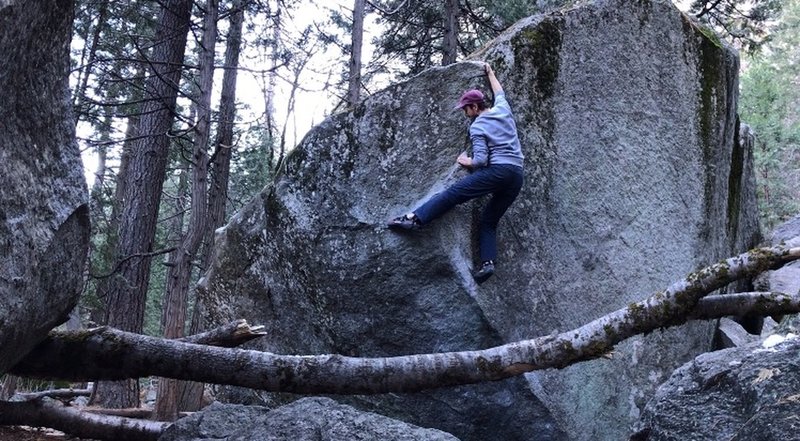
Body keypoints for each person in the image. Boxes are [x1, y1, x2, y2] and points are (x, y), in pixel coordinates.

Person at [387, 63, 524, 284]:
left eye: (465, 109)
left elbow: (481, 161)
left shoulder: (477, 126)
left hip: (498, 171)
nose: (464, 112)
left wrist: (465, 161)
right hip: (517, 174)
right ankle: (488, 263)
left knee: (453, 194)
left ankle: (413, 219)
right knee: (489, 221)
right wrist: (491, 73)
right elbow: (499, 92)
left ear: (474, 108)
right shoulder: (503, 110)